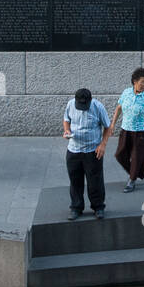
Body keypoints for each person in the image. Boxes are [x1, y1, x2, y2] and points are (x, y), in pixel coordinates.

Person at [62, 87, 112, 220]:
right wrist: (67, 131)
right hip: (74, 149)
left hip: (92, 150)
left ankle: (98, 207)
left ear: (90, 100)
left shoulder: (98, 107)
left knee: (95, 180)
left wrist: (102, 145)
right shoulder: (70, 104)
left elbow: (108, 127)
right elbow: (66, 119)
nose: (82, 108)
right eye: (80, 105)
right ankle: (76, 207)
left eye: (85, 105)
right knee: (75, 180)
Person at [110, 67, 144, 192]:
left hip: (141, 132)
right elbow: (118, 109)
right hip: (126, 130)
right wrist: (112, 125)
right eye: (142, 82)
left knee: (136, 157)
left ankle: (132, 180)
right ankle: (133, 172)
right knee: (120, 154)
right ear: (135, 81)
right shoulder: (126, 93)